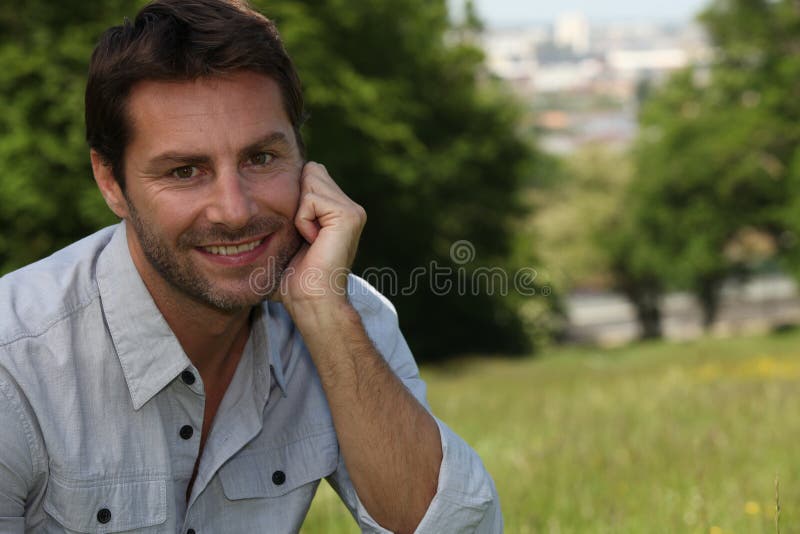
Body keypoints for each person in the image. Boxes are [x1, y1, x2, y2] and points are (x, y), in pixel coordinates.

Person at [0, 0, 502, 532]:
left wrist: (325, 318)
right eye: (185, 171)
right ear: (110, 182)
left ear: (304, 159)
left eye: (261, 159)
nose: (235, 211)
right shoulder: (15, 365)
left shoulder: (339, 312)